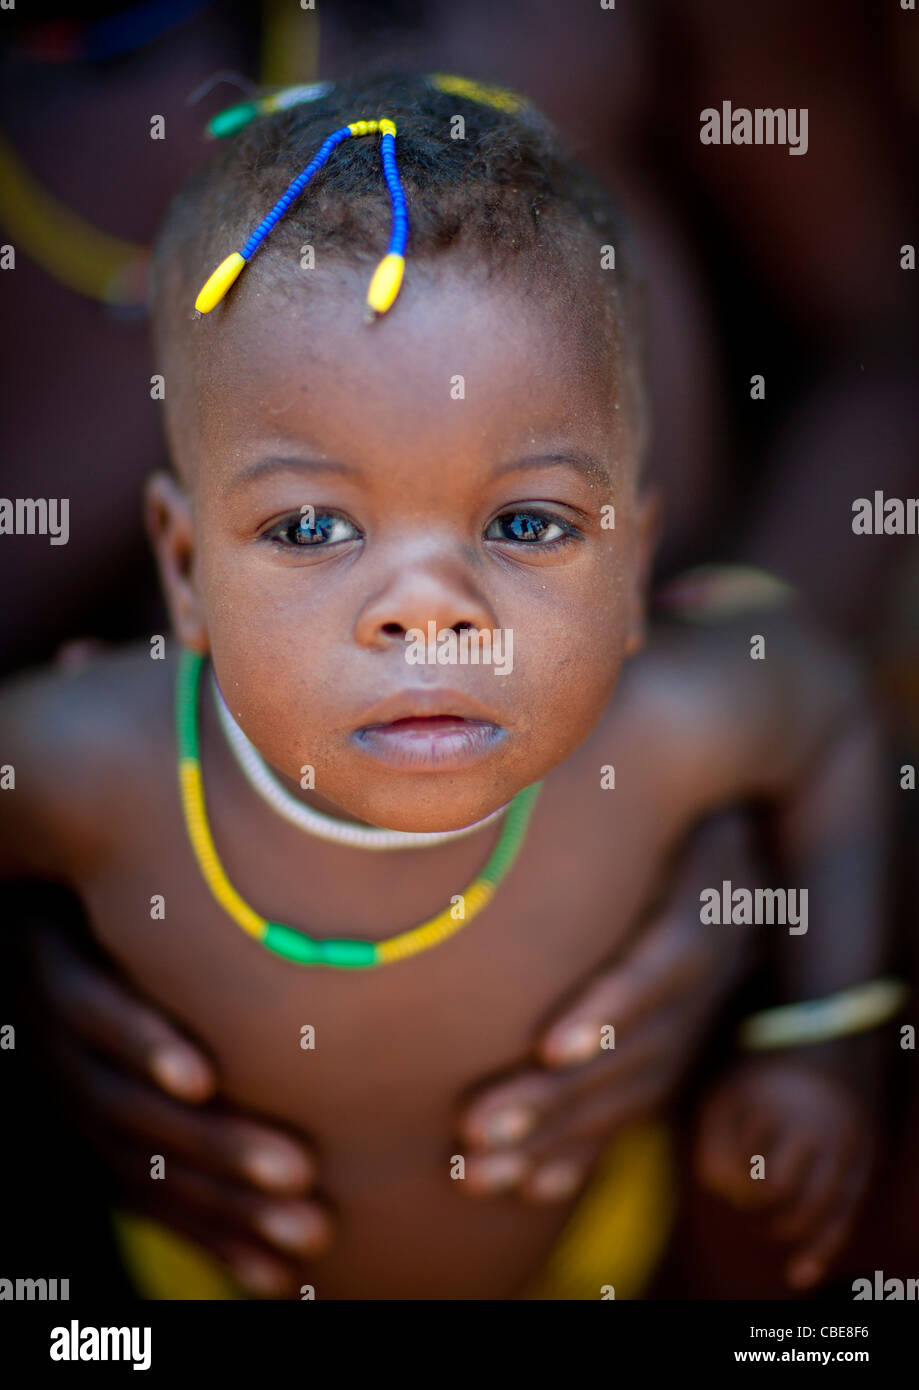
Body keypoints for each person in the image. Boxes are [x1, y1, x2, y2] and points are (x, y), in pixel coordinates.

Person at [0, 72, 900, 1299]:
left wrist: (822, 1039)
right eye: (312, 525)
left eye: (526, 523)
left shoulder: (674, 731)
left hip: (600, 1253)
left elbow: (833, 723)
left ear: (634, 564)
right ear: (183, 567)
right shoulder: (84, 768)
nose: (429, 606)